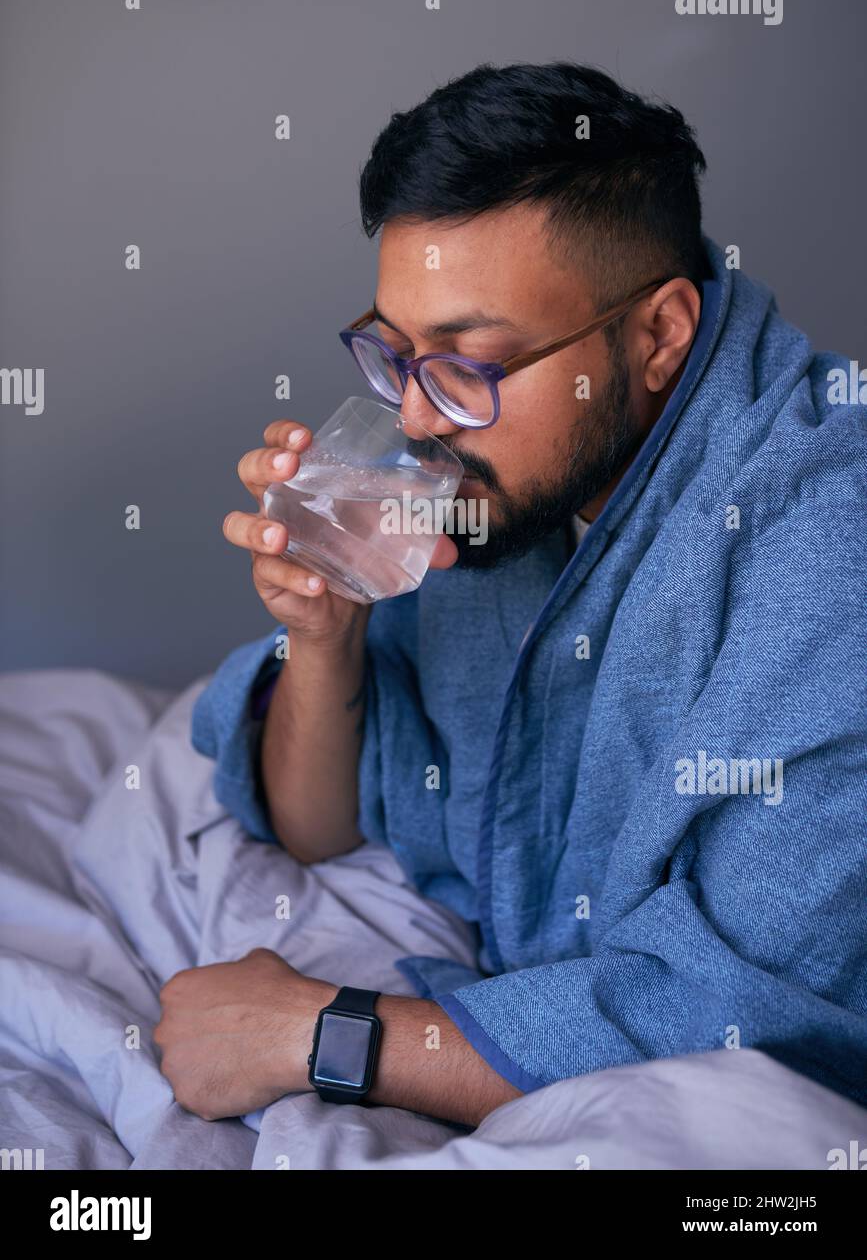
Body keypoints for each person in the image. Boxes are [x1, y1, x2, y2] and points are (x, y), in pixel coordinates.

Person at [154, 61, 867, 1127]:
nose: (420, 415)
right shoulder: (482, 484)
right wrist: (325, 633)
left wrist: (318, 1031)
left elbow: (750, 1012)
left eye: (467, 361)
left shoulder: (827, 558)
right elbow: (319, 826)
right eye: (394, 354)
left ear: (661, 335)